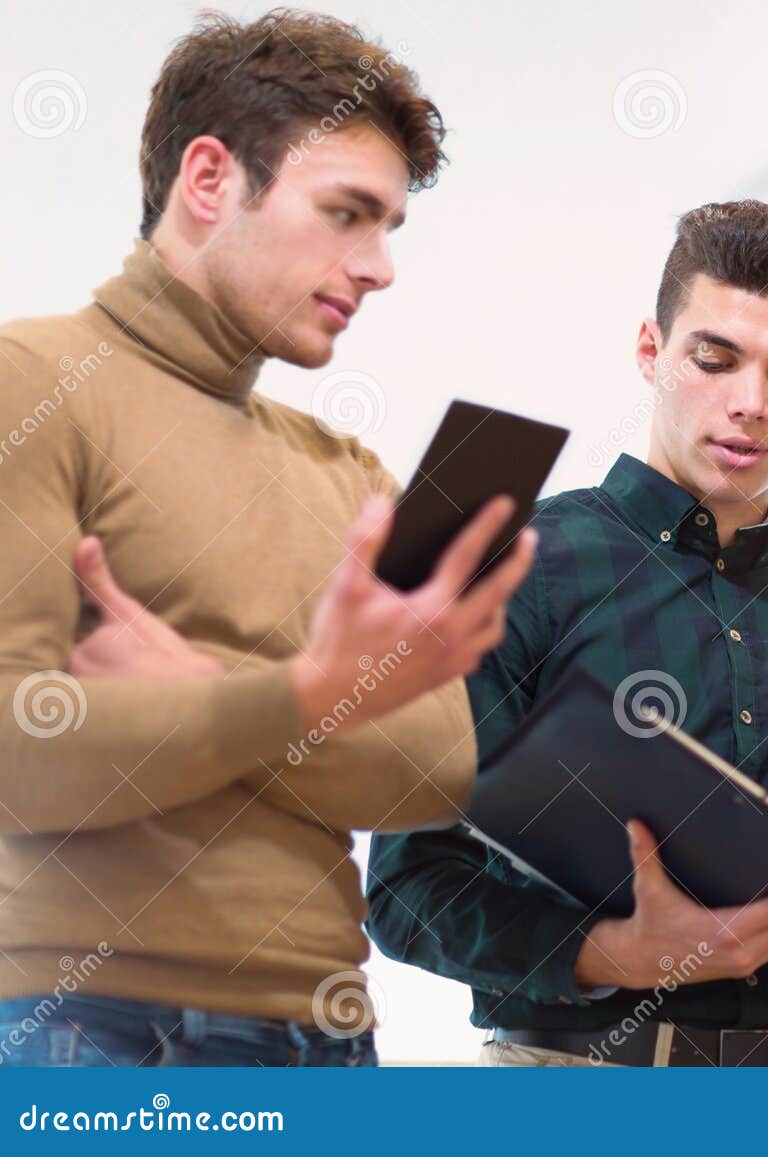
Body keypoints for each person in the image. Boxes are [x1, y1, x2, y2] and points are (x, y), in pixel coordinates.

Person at [0, 11, 533, 1067]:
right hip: (94, 1031)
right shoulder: (31, 384)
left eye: (387, 228)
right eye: (346, 214)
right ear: (209, 180)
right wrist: (307, 692)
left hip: (336, 1041)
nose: (378, 266)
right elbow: (21, 756)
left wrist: (189, 683)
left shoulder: (352, 476)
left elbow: (430, 771)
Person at [366, 200, 768, 1068]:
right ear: (650, 352)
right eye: (715, 359)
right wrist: (611, 953)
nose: (749, 405)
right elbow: (406, 889)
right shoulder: (515, 564)